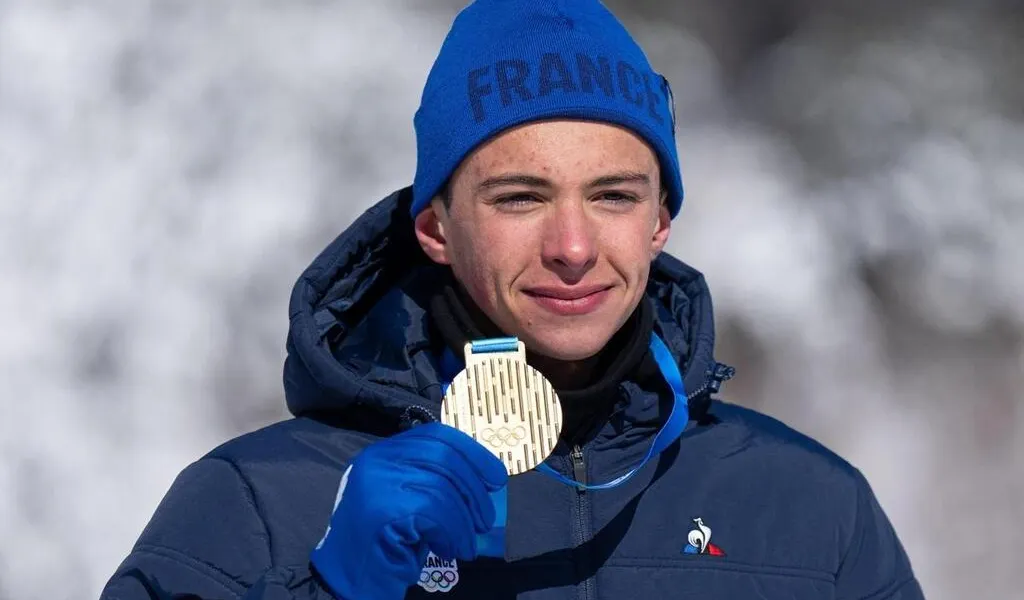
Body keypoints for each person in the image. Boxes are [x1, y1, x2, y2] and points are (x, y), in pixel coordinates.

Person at [102, 1, 925, 598]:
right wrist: (329, 591)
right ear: (435, 227)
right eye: (521, 198)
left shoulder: (813, 509)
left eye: (612, 196)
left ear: (660, 221)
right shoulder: (258, 501)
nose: (572, 248)